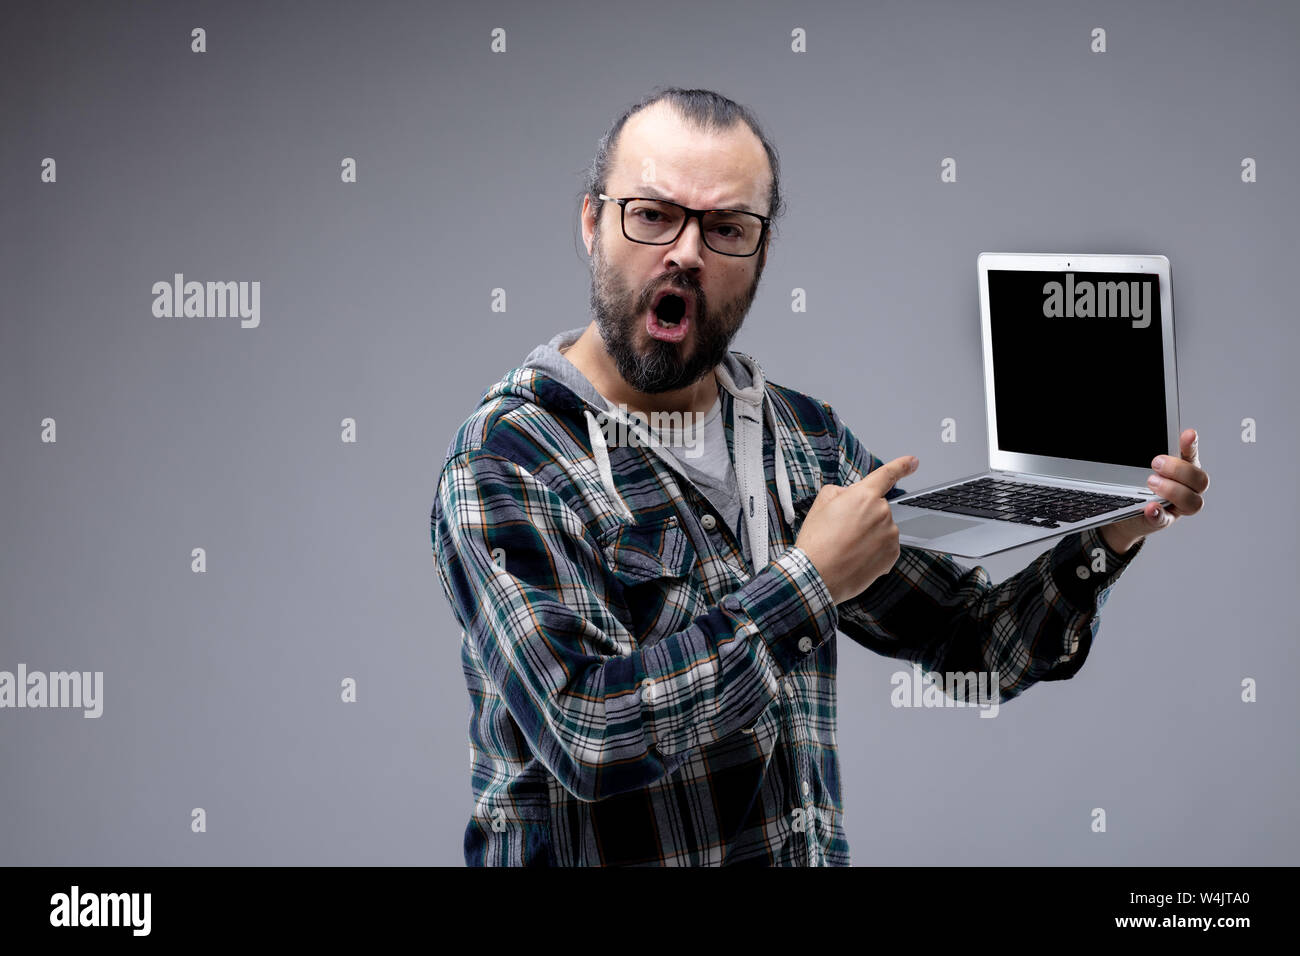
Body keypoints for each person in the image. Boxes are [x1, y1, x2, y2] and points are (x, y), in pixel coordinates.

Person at [430, 87, 1210, 866]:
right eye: (654, 215)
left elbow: (972, 648)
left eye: (726, 228)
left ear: (761, 255)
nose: (688, 253)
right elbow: (591, 736)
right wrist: (810, 580)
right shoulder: (506, 460)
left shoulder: (802, 441)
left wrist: (1108, 533)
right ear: (594, 222)